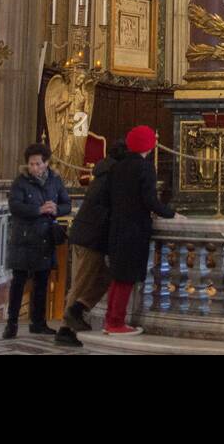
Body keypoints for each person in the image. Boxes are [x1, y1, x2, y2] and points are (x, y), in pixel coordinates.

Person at [104, 125, 185, 335]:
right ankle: (116, 323)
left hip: (117, 226)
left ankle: (110, 319)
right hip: (134, 229)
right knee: (126, 278)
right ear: (149, 145)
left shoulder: (117, 166)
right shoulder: (144, 167)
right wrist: (172, 214)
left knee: (117, 276)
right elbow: (150, 200)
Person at [54, 140, 128, 348]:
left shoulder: (105, 173)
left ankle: (78, 309)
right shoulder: (113, 176)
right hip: (90, 237)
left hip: (89, 234)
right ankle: (65, 329)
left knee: (104, 276)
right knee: (81, 282)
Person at [3, 143, 71, 339]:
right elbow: (14, 206)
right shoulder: (20, 182)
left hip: (44, 238)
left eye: (38, 164)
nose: (34, 167)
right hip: (24, 238)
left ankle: (39, 323)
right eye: (31, 164)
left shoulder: (55, 180)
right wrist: (38, 210)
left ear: (46, 163)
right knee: (19, 282)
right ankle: (12, 323)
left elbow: (67, 203)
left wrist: (56, 208)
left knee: (42, 282)